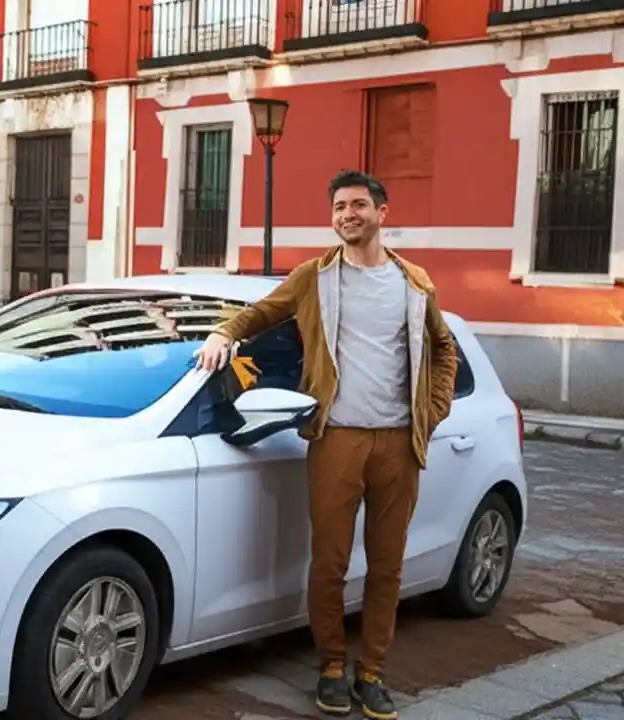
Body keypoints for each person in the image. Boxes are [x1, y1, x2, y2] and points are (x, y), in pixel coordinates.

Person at [194, 170, 458, 720]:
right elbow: (263, 312)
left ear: (383, 213)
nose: (348, 215)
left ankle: (374, 673)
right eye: (339, 207)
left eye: (359, 205)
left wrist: (430, 415)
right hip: (337, 439)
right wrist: (224, 333)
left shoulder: (414, 284)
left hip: (397, 446)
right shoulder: (315, 278)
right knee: (330, 563)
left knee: (387, 566)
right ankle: (333, 667)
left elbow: (443, 348)